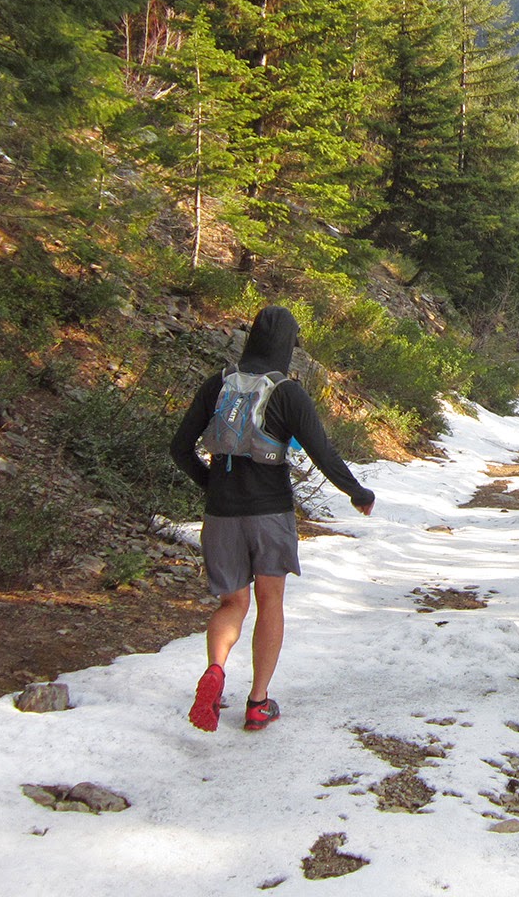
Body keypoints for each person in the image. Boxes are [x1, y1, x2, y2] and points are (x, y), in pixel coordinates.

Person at [169, 305, 375, 732]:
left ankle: (215, 672)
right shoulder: (286, 392)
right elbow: (322, 451)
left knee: (232, 604)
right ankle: (258, 703)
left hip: (221, 514)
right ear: (287, 344)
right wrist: (358, 493)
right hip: (270, 514)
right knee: (270, 602)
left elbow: (179, 448)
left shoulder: (218, 384)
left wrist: (210, 484)